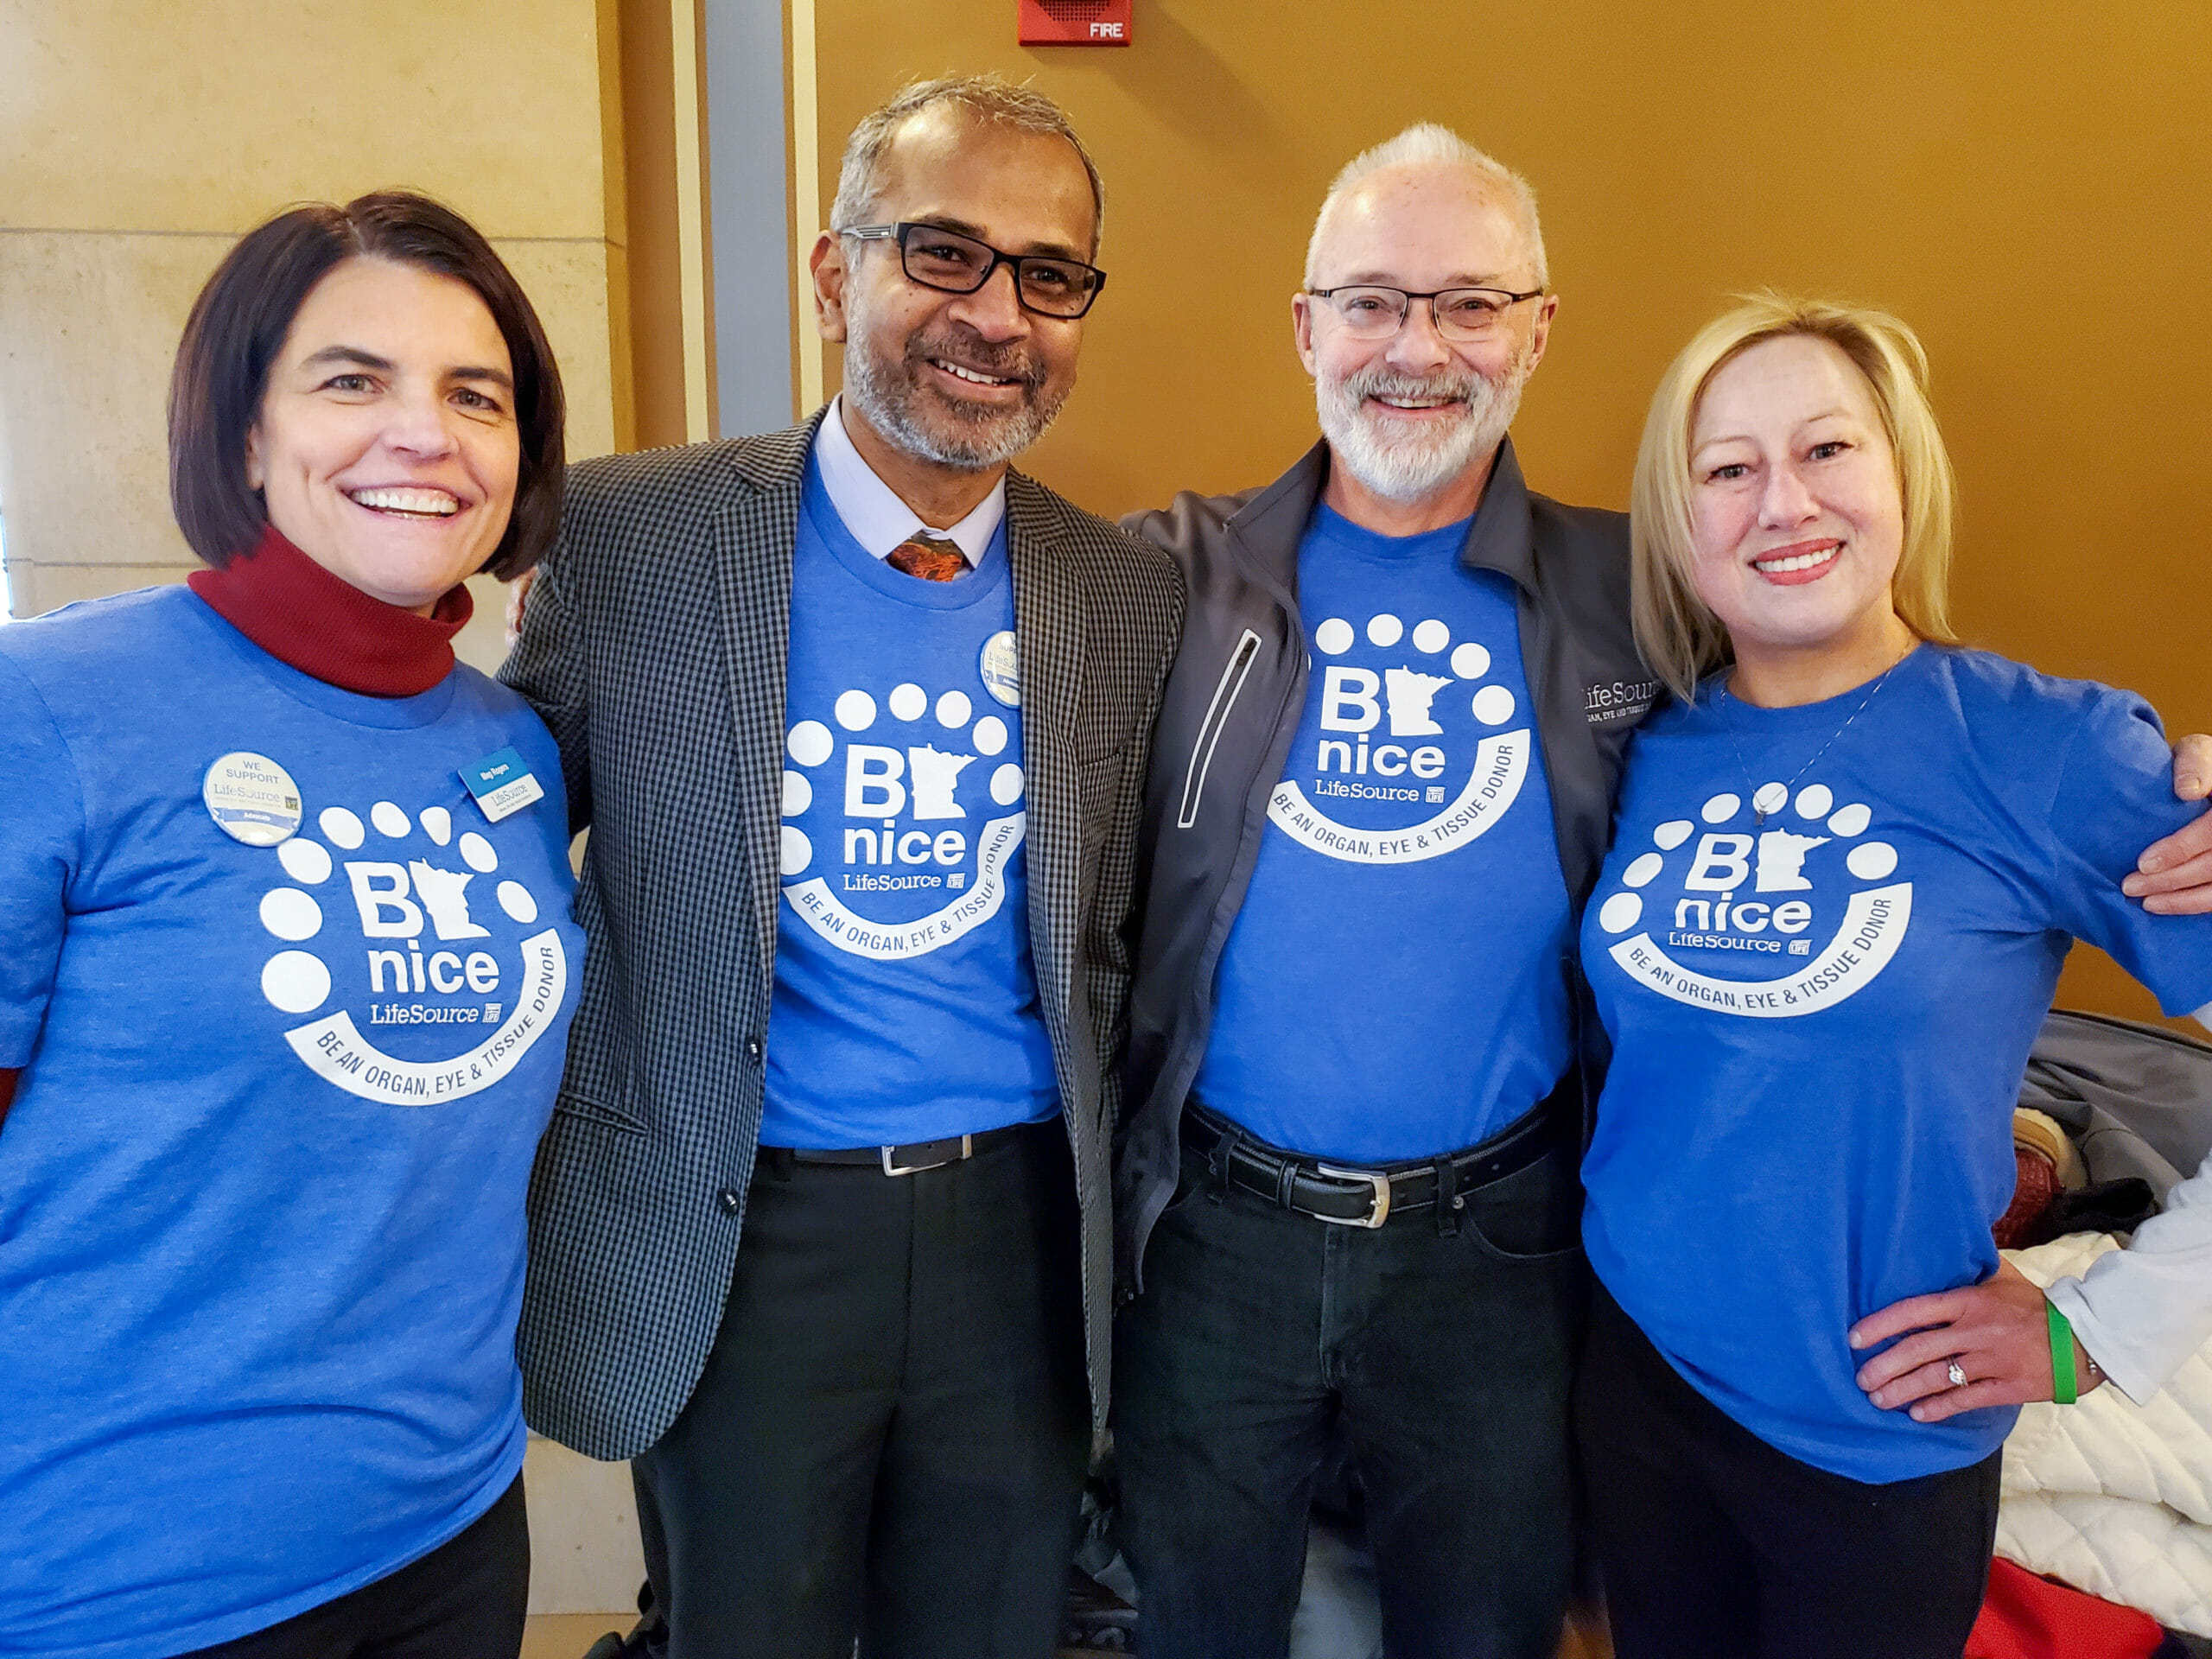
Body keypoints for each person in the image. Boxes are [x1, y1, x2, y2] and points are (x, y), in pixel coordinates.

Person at [1109, 125, 2212, 1659]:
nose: (1417, 346)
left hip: (1541, 1269)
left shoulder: (1666, 616)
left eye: (1471, 303)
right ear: (1306, 327)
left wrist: (2104, 1337)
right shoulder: (1167, 580)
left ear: (1536, 330)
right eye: (1370, 301)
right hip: (1328, 1263)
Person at [500, 77, 1180, 1658]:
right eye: (943, 252)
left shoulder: (1124, 593)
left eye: (1048, 274)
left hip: (1021, 1239)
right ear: (832, 276)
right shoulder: (629, 539)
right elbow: (498, 853)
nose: (997, 314)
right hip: (736, 1234)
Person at [1572, 293, 2212, 1659]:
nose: (1783, 502)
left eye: (1827, 449)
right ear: (1680, 525)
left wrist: (2108, 1328)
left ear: (1903, 474)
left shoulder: (2052, 748)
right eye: (1728, 468)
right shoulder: (1644, 746)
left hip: (1879, 1438)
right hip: (1634, 1377)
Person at [0, 193, 581, 1658]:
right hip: (115, 1576)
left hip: (445, 1527)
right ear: (245, 434)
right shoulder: (50, 708)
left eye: (476, 396)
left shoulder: (514, 749)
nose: (424, 434)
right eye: (351, 380)